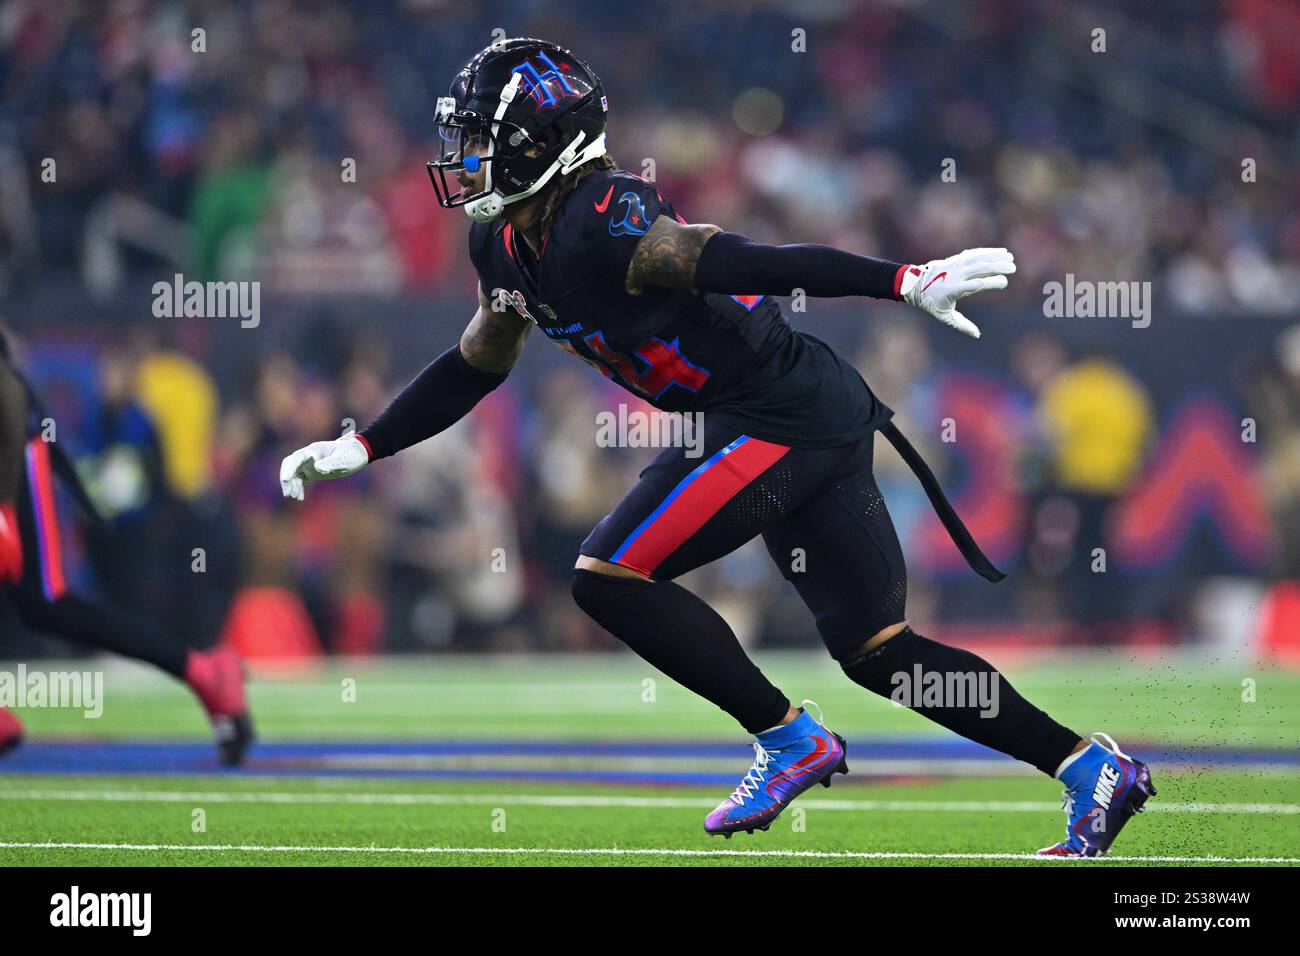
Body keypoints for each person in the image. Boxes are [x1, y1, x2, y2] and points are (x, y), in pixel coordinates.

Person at [279, 39, 1154, 855]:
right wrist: (367, 445)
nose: (463, 158)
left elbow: (742, 259)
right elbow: (479, 360)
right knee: (880, 653)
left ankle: (790, 739)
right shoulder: (503, 243)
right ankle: (1089, 768)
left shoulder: (604, 217)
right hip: (800, 412)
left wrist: (898, 280)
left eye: (480, 140)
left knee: (608, 574)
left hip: (776, 412)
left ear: (540, 144)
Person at [0, 327, 253, 766]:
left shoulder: (140, 416)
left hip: (10, 444)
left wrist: (4, 504)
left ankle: (203, 671)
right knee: (44, 603)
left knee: (45, 600)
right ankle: (202, 671)